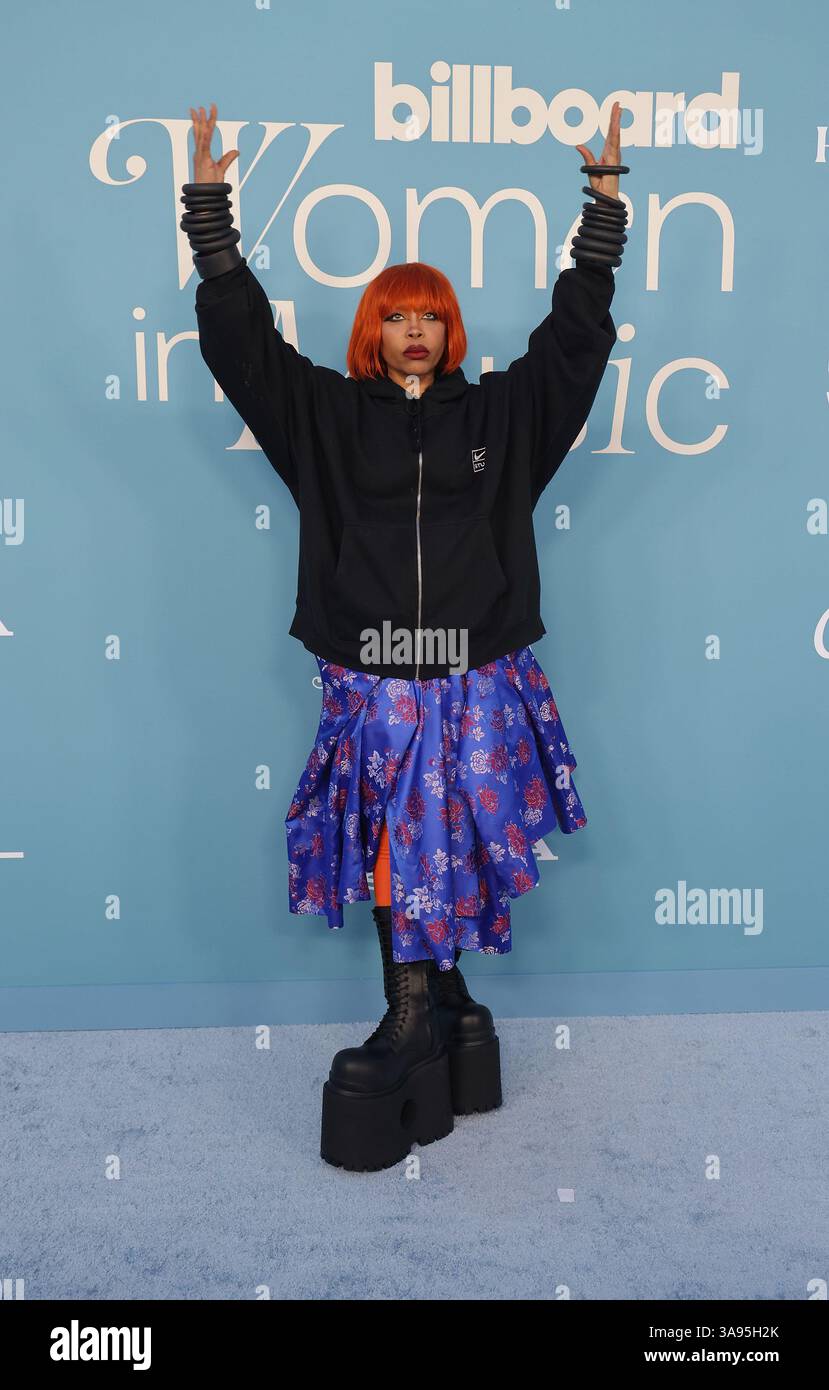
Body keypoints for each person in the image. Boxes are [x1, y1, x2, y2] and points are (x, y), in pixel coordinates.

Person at [181, 101, 628, 1171]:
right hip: (374, 677)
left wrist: (603, 211)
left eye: (430, 313)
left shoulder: (501, 421)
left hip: (479, 675)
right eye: (396, 314)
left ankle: (449, 1006)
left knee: (452, 847)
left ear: (449, 329)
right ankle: (422, 1008)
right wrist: (210, 218)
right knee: (397, 846)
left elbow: (573, 348)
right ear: (371, 332)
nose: (414, 329)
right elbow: (241, 344)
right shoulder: (327, 419)